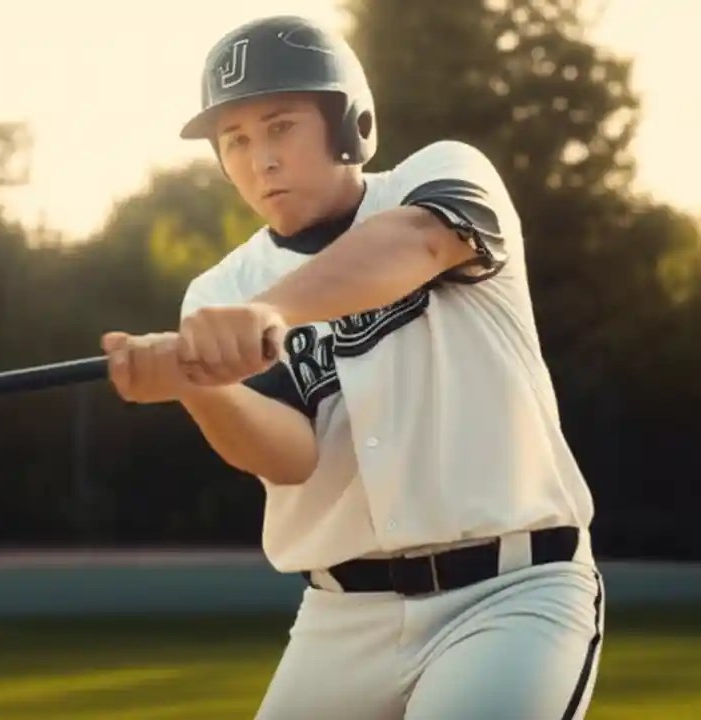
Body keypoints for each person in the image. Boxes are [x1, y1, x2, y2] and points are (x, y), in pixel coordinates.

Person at [100, 15, 604, 720]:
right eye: (235, 141)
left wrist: (269, 314)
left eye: (281, 127)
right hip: (341, 619)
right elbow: (290, 456)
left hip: (510, 595)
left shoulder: (439, 176)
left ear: (350, 125)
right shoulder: (220, 291)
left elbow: (421, 244)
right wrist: (199, 388)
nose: (259, 160)